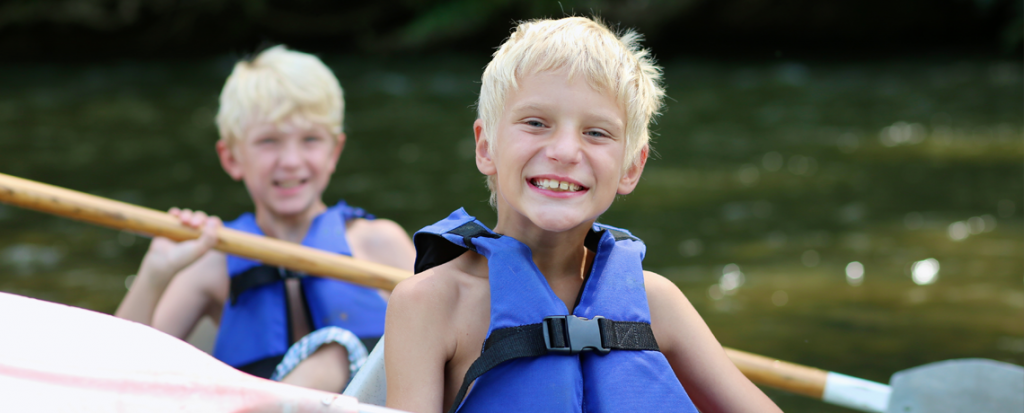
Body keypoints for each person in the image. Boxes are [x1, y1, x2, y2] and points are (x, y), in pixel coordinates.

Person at [384, 17, 782, 413]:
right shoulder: (430, 305)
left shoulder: (657, 303)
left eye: (596, 133)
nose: (565, 151)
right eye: (536, 123)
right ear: (486, 147)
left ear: (630, 168)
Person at [115, 45, 416, 393]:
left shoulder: (380, 244)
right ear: (231, 158)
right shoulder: (211, 263)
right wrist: (155, 273)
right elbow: (117, 371)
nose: (290, 160)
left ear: (334, 152)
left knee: (335, 350)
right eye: (269, 141)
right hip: (258, 399)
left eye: (310, 139)